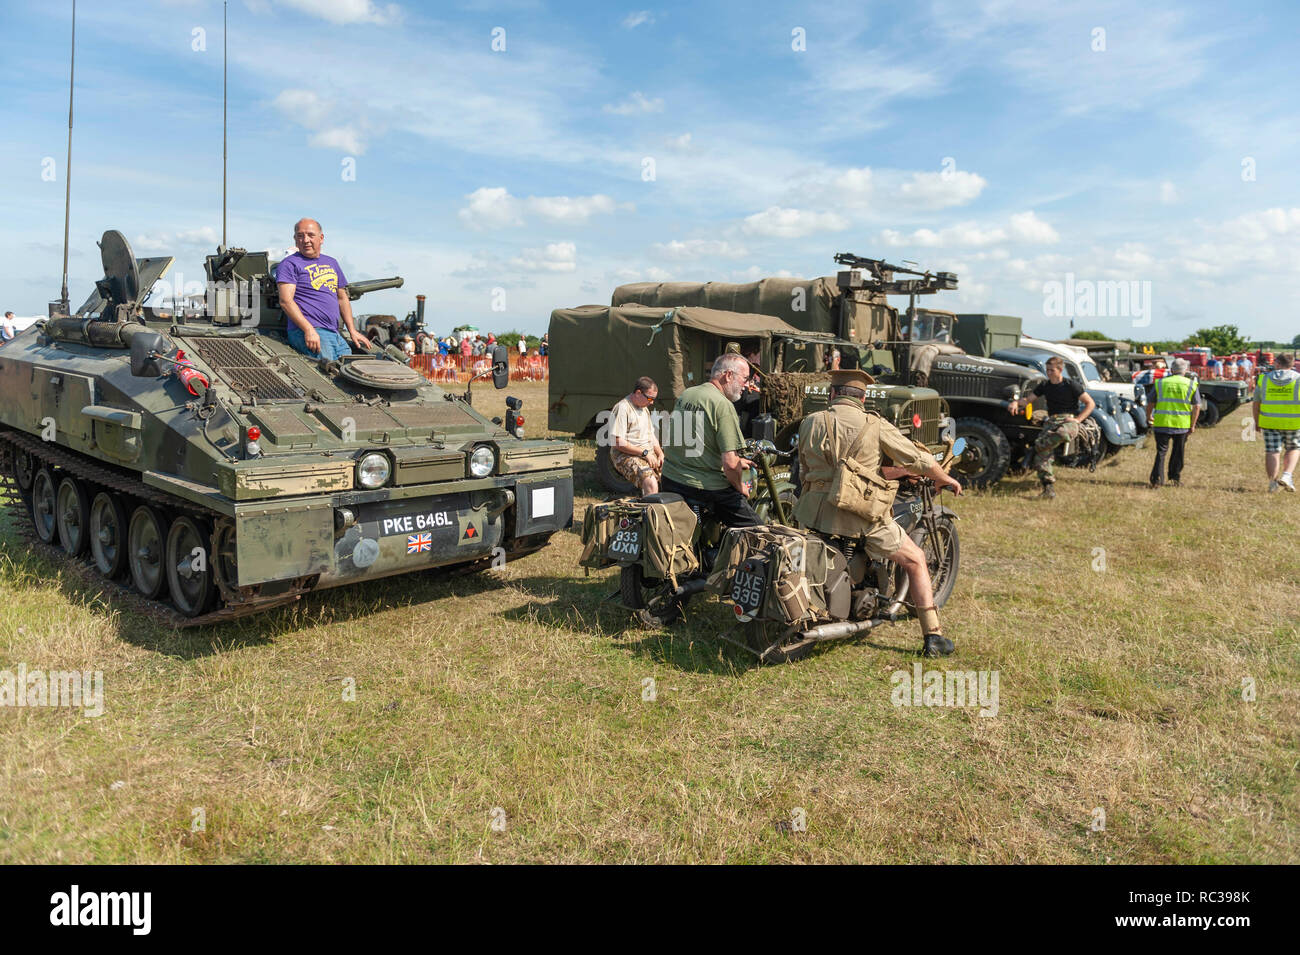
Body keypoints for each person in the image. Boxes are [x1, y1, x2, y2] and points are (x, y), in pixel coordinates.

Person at [793, 368, 964, 657]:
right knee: (916, 559)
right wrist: (944, 477)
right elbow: (917, 458)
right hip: (858, 514)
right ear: (863, 398)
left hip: (812, 512)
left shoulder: (811, 421)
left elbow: (805, 468)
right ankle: (933, 636)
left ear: (833, 395)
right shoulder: (875, 424)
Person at [660, 353, 761, 528]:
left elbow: (693, 440)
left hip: (670, 478)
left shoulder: (687, 394)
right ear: (728, 375)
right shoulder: (723, 405)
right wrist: (740, 487)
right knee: (757, 530)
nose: (747, 385)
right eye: (745, 379)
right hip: (702, 486)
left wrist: (735, 460)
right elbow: (730, 465)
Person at [275, 218, 371, 360]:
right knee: (330, 372)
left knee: (349, 371)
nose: (306, 240)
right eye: (300, 236)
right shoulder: (289, 264)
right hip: (308, 331)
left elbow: (342, 298)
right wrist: (308, 330)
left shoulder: (332, 263)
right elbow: (286, 301)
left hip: (334, 332)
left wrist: (352, 330)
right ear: (295, 239)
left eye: (310, 235)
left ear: (321, 238)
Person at [1007, 356, 1096, 499]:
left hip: (1069, 421)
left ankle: (1035, 448)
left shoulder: (1071, 385)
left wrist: (1078, 420)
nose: (1048, 373)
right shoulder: (1045, 385)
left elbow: (1090, 403)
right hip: (1051, 421)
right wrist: (1016, 403)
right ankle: (1048, 488)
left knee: (1062, 434)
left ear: (1060, 370)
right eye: (1047, 370)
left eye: (1052, 370)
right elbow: (1028, 400)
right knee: (1042, 457)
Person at [1145, 357, 1200, 487]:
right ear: (1186, 370)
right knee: (1178, 452)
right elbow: (1197, 406)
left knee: (1161, 451)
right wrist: (1192, 425)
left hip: (1162, 423)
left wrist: (1148, 416)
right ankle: (1174, 478)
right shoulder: (1191, 384)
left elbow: (1151, 402)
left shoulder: (1160, 383)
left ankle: (1157, 480)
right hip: (1181, 425)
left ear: (1171, 370)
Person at [608, 377, 663, 496]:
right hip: (625, 455)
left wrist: (660, 454)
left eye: (654, 399)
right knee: (650, 483)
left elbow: (651, 435)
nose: (652, 402)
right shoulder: (623, 408)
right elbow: (617, 442)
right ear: (638, 393)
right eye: (650, 398)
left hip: (646, 453)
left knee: (674, 477)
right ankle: (651, 513)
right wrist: (644, 453)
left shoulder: (644, 409)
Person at [1254, 353, 1300, 492]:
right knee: (1293, 448)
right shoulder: (1298, 379)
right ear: (1292, 365)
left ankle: (1273, 484)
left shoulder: (1263, 379)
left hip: (1269, 421)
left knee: (1272, 450)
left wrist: (1257, 421)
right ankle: (1287, 476)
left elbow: (1256, 403)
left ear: (1277, 363)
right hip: (1293, 422)